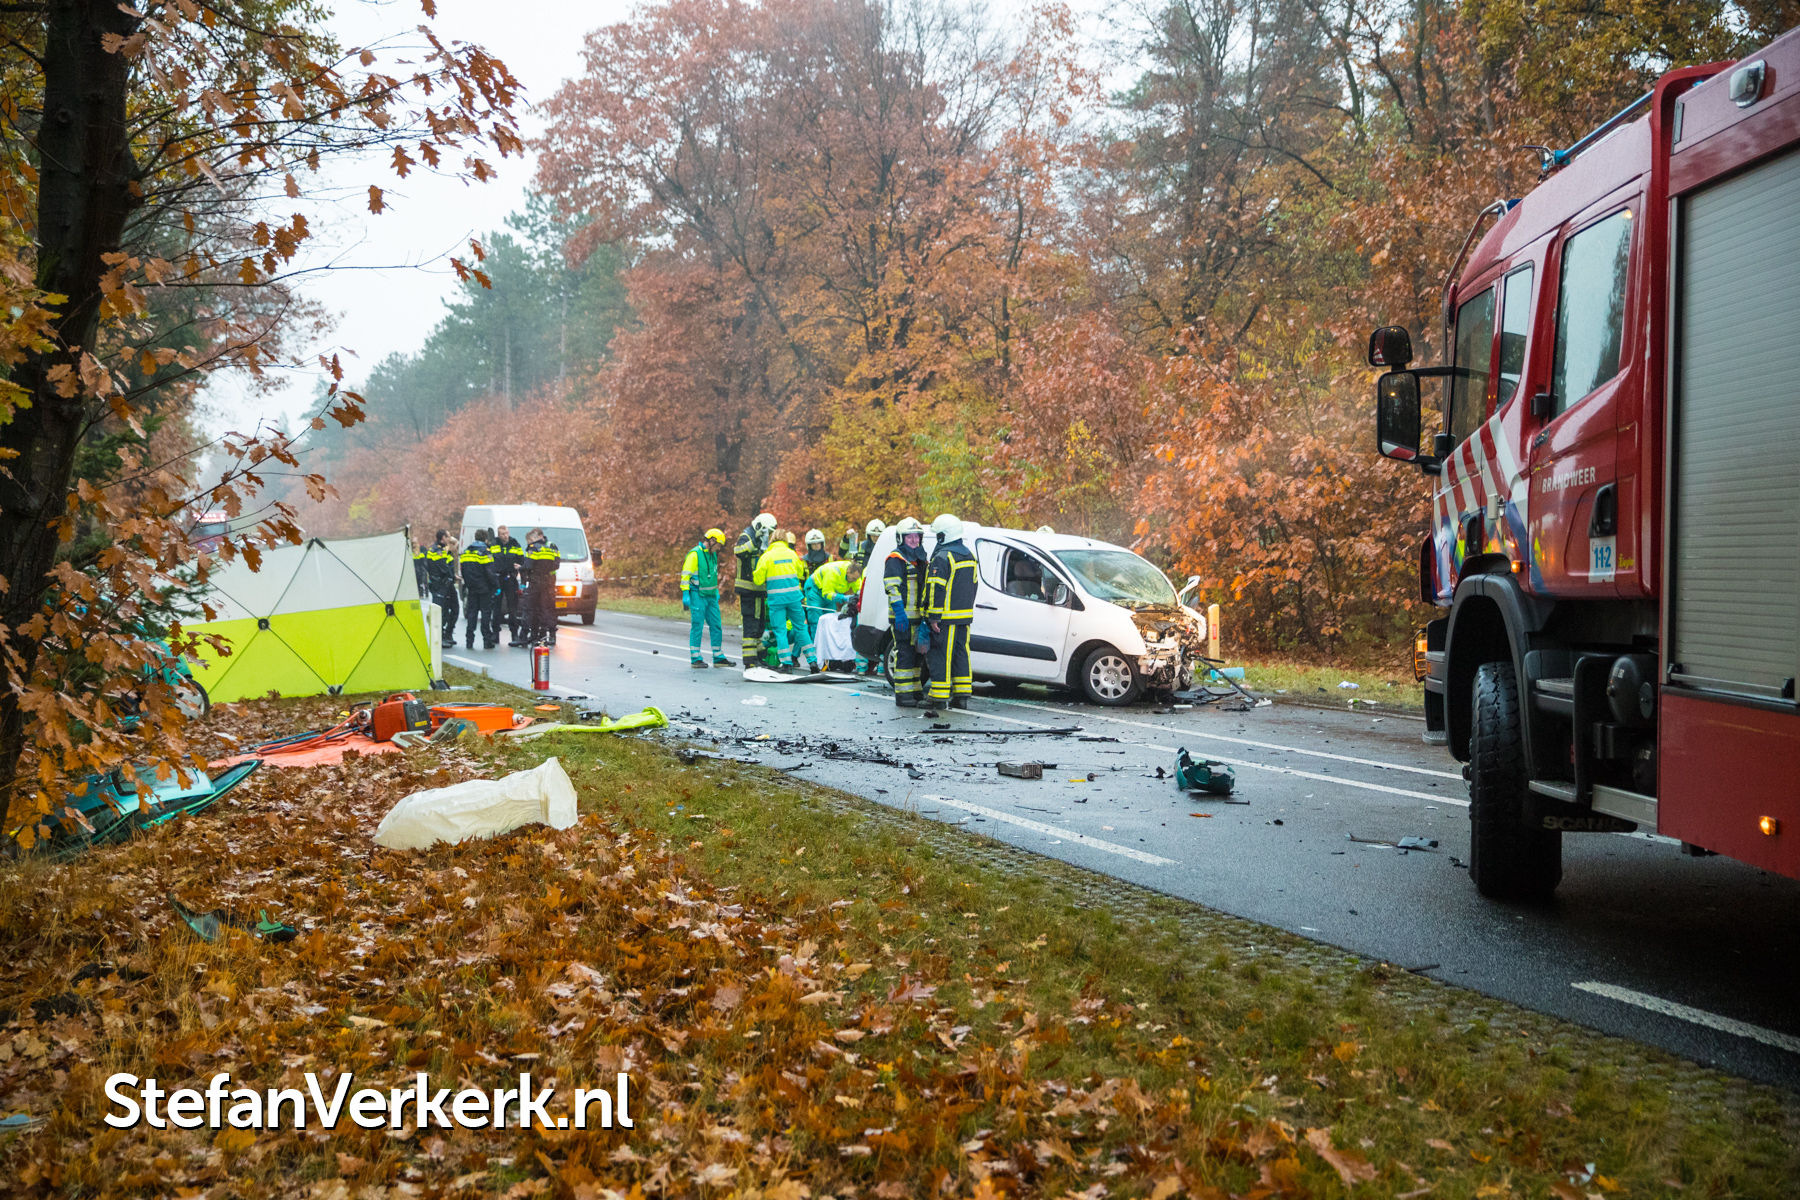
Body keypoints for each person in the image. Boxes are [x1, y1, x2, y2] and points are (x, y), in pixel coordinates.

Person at [925, 513, 978, 709]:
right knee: (961, 654)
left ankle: (938, 698)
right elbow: (974, 586)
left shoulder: (942, 557)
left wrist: (933, 616)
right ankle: (962, 695)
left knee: (941, 656)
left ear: (943, 536)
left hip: (945, 619)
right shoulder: (969, 555)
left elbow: (935, 589)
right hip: (964, 617)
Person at [753, 529, 816, 673]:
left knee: (780, 631)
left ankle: (786, 664)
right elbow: (800, 573)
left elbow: (758, 580)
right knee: (801, 628)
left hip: (777, 600)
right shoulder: (792, 554)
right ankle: (813, 663)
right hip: (794, 598)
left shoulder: (766, 556)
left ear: (771, 540)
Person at [883, 517, 929, 706]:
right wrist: (899, 612)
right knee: (905, 654)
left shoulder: (921, 559)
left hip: (918, 618)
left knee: (918, 655)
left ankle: (915, 691)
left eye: (917, 537)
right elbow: (892, 587)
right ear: (901, 539)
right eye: (909, 537)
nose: (914, 540)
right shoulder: (896, 558)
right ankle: (903, 695)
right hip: (902, 618)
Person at [682, 528, 734, 668]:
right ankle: (695, 658)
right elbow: (685, 575)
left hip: (711, 596)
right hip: (697, 595)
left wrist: (716, 592)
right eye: (718, 545)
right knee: (697, 625)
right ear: (711, 541)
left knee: (716, 625)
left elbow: (712, 574)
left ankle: (718, 656)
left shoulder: (713, 555)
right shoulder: (695, 554)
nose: (718, 549)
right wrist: (686, 593)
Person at [733, 512, 777, 665]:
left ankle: (759, 657)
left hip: (758, 590)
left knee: (759, 625)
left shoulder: (763, 540)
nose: (769, 535)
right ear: (760, 527)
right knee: (751, 624)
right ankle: (750, 661)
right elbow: (738, 551)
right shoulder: (747, 536)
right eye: (768, 532)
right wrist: (756, 539)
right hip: (748, 590)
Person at [803, 558, 861, 640]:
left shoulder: (855, 574)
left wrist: (858, 596)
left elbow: (858, 589)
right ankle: (815, 645)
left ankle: (828, 644)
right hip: (815, 590)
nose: (854, 581)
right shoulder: (833, 572)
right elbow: (826, 593)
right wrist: (844, 598)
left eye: (856, 579)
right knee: (815, 618)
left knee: (830, 618)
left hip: (831, 591)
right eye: (853, 579)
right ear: (848, 572)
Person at [459, 529, 498, 649]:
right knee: (485, 614)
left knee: (472, 614)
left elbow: (463, 571)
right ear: (486, 539)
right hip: (484, 588)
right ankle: (487, 640)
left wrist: (468, 583)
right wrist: (495, 585)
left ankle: (469, 641)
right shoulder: (485, 552)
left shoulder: (466, 552)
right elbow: (490, 572)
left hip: (471, 588)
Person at [522, 528, 561, 646]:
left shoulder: (536, 547)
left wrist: (522, 568)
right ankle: (548, 635)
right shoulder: (552, 546)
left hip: (539, 581)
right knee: (547, 608)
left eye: (532, 538)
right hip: (549, 581)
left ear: (538, 536)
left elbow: (528, 565)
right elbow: (556, 563)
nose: (530, 542)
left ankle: (537, 635)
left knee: (536, 608)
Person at [491, 524, 526, 646]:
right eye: (502, 534)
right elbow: (489, 561)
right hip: (497, 579)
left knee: (512, 608)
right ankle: (495, 633)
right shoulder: (493, 544)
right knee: (496, 607)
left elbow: (522, 560)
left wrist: (516, 570)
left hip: (510, 578)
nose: (505, 536)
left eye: (506, 533)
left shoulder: (515, 544)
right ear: (498, 534)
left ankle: (514, 633)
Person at [424, 531, 459, 649]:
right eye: (448, 536)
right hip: (439, 585)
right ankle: (439, 637)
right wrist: (452, 576)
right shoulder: (436, 551)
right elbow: (443, 568)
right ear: (443, 538)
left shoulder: (444, 551)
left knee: (454, 609)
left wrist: (453, 577)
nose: (450, 538)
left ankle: (448, 634)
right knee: (440, 612)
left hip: (447, 585)